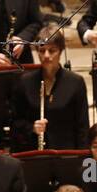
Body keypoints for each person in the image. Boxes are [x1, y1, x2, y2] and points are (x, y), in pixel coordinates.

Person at [10, 26, 89, 154]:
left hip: (66, 154)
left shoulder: (76, 83)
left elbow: (82, 128)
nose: (46, 56)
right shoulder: (25, 82)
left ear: (61, 51)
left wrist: (83, 162)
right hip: (34, 153)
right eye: (42, 50)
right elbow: (16, 122)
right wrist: (32, 128)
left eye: (52, 50)